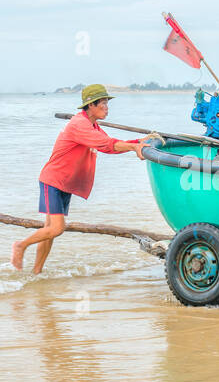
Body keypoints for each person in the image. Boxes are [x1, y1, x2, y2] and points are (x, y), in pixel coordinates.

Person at [12, 84, 145, 273]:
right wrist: (133, 147)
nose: (107, 107)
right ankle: (21, 245)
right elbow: (106, 143)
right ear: (91, 105)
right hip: (53, 181)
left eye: (107, 103)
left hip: (64, 183)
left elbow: (107, 146)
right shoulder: (79, 124)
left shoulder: (92, 125)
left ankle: (36, 272)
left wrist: (138, 142)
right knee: (57, 228)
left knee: (49, 230)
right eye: (104, 103)